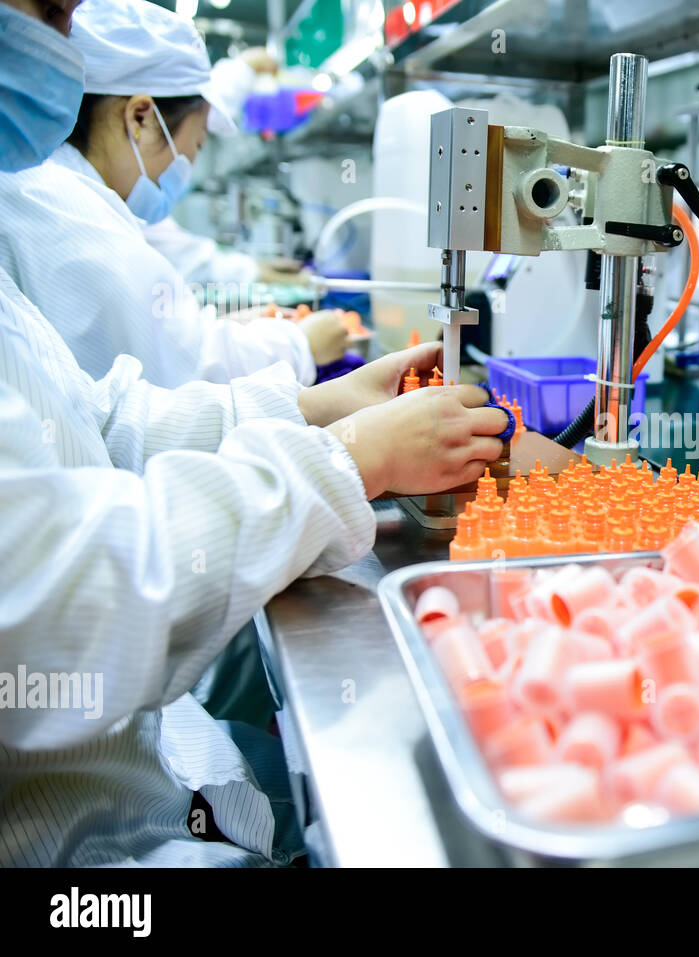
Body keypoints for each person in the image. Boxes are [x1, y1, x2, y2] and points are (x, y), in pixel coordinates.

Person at [0, 0, 510, 866]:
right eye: (48, 11)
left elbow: (101, 422)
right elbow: (51, 601)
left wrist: (318, 408)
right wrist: (350, 457)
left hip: (142, 767)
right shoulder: (60, 215)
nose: (63, 32)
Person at [0, 0, 347, 388]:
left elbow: (160, 343)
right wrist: (301, 345)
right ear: (141, 119)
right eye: (195, 148)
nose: (189, 166)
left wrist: (228, 326)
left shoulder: (67, 192)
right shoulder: (74, 219)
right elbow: (185, 376)